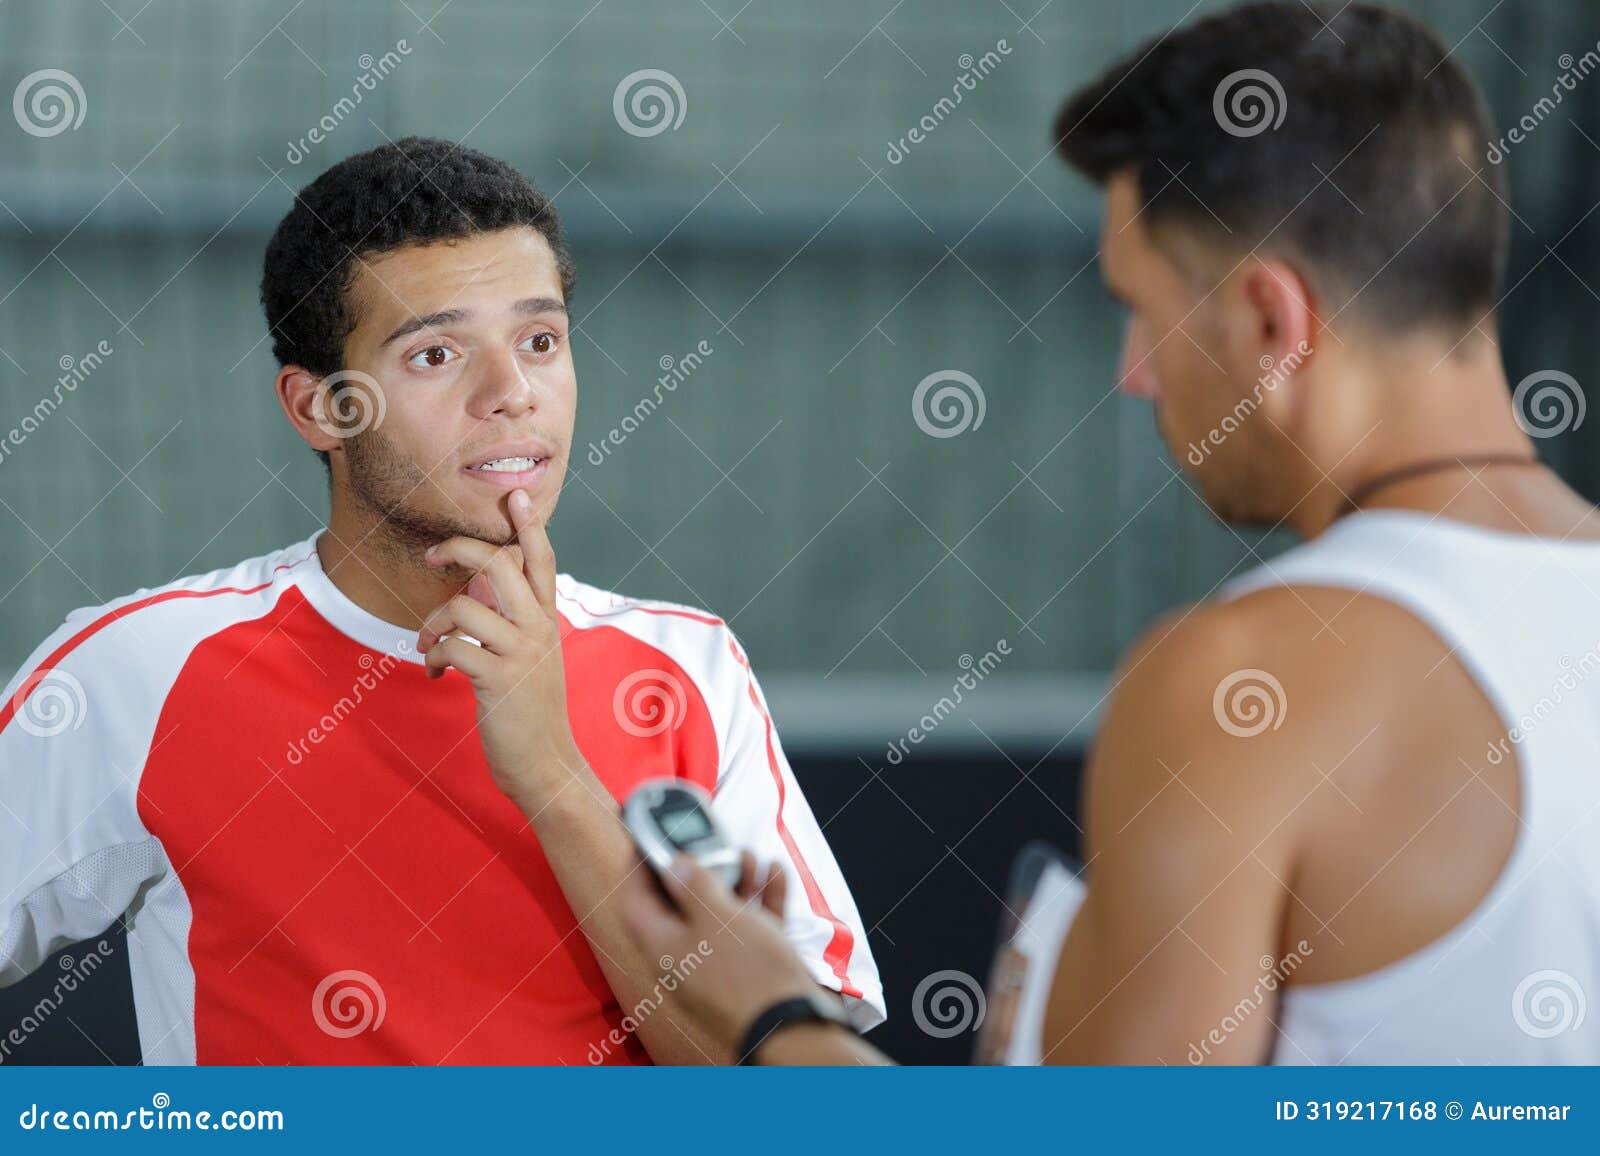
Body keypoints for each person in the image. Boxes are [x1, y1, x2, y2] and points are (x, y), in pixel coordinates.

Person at [620, 0, 1600, 1064]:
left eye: (1143, 310)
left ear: (1274, 322)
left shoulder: (1243, 679)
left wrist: (771, 1015)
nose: (1134, 372)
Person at [0, 138, 882, 1065]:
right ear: (319, 410)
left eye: (540, 341)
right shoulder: (140, 670)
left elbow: (794, 1092)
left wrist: (550, 772)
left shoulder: (686, 670)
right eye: (436, 355)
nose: (513, 395)